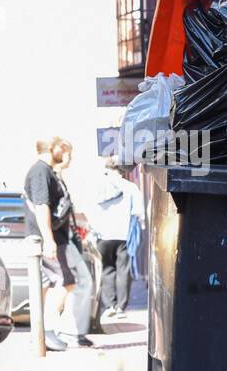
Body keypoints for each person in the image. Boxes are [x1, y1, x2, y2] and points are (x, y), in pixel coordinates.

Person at [24, 137, 93, 350]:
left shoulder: (47, 171)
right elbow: (42, 206)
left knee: (60, 283)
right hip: (53, 238)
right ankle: (48, 331)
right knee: (64, 283)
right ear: (53, 148)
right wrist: (49, 239)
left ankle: (49, 332)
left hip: (57, 238)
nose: (66, 156)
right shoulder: (40, 172)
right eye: (64, 151)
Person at [86, 159, 144, 319]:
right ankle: (120, 307)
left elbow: (91, 211)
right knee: (123, 270)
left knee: (106, 269)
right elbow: (139, 212)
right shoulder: (131, 187)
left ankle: (109, 304)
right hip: (124, 234)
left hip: (103, 235)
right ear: (122, 170)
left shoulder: (99, 186)